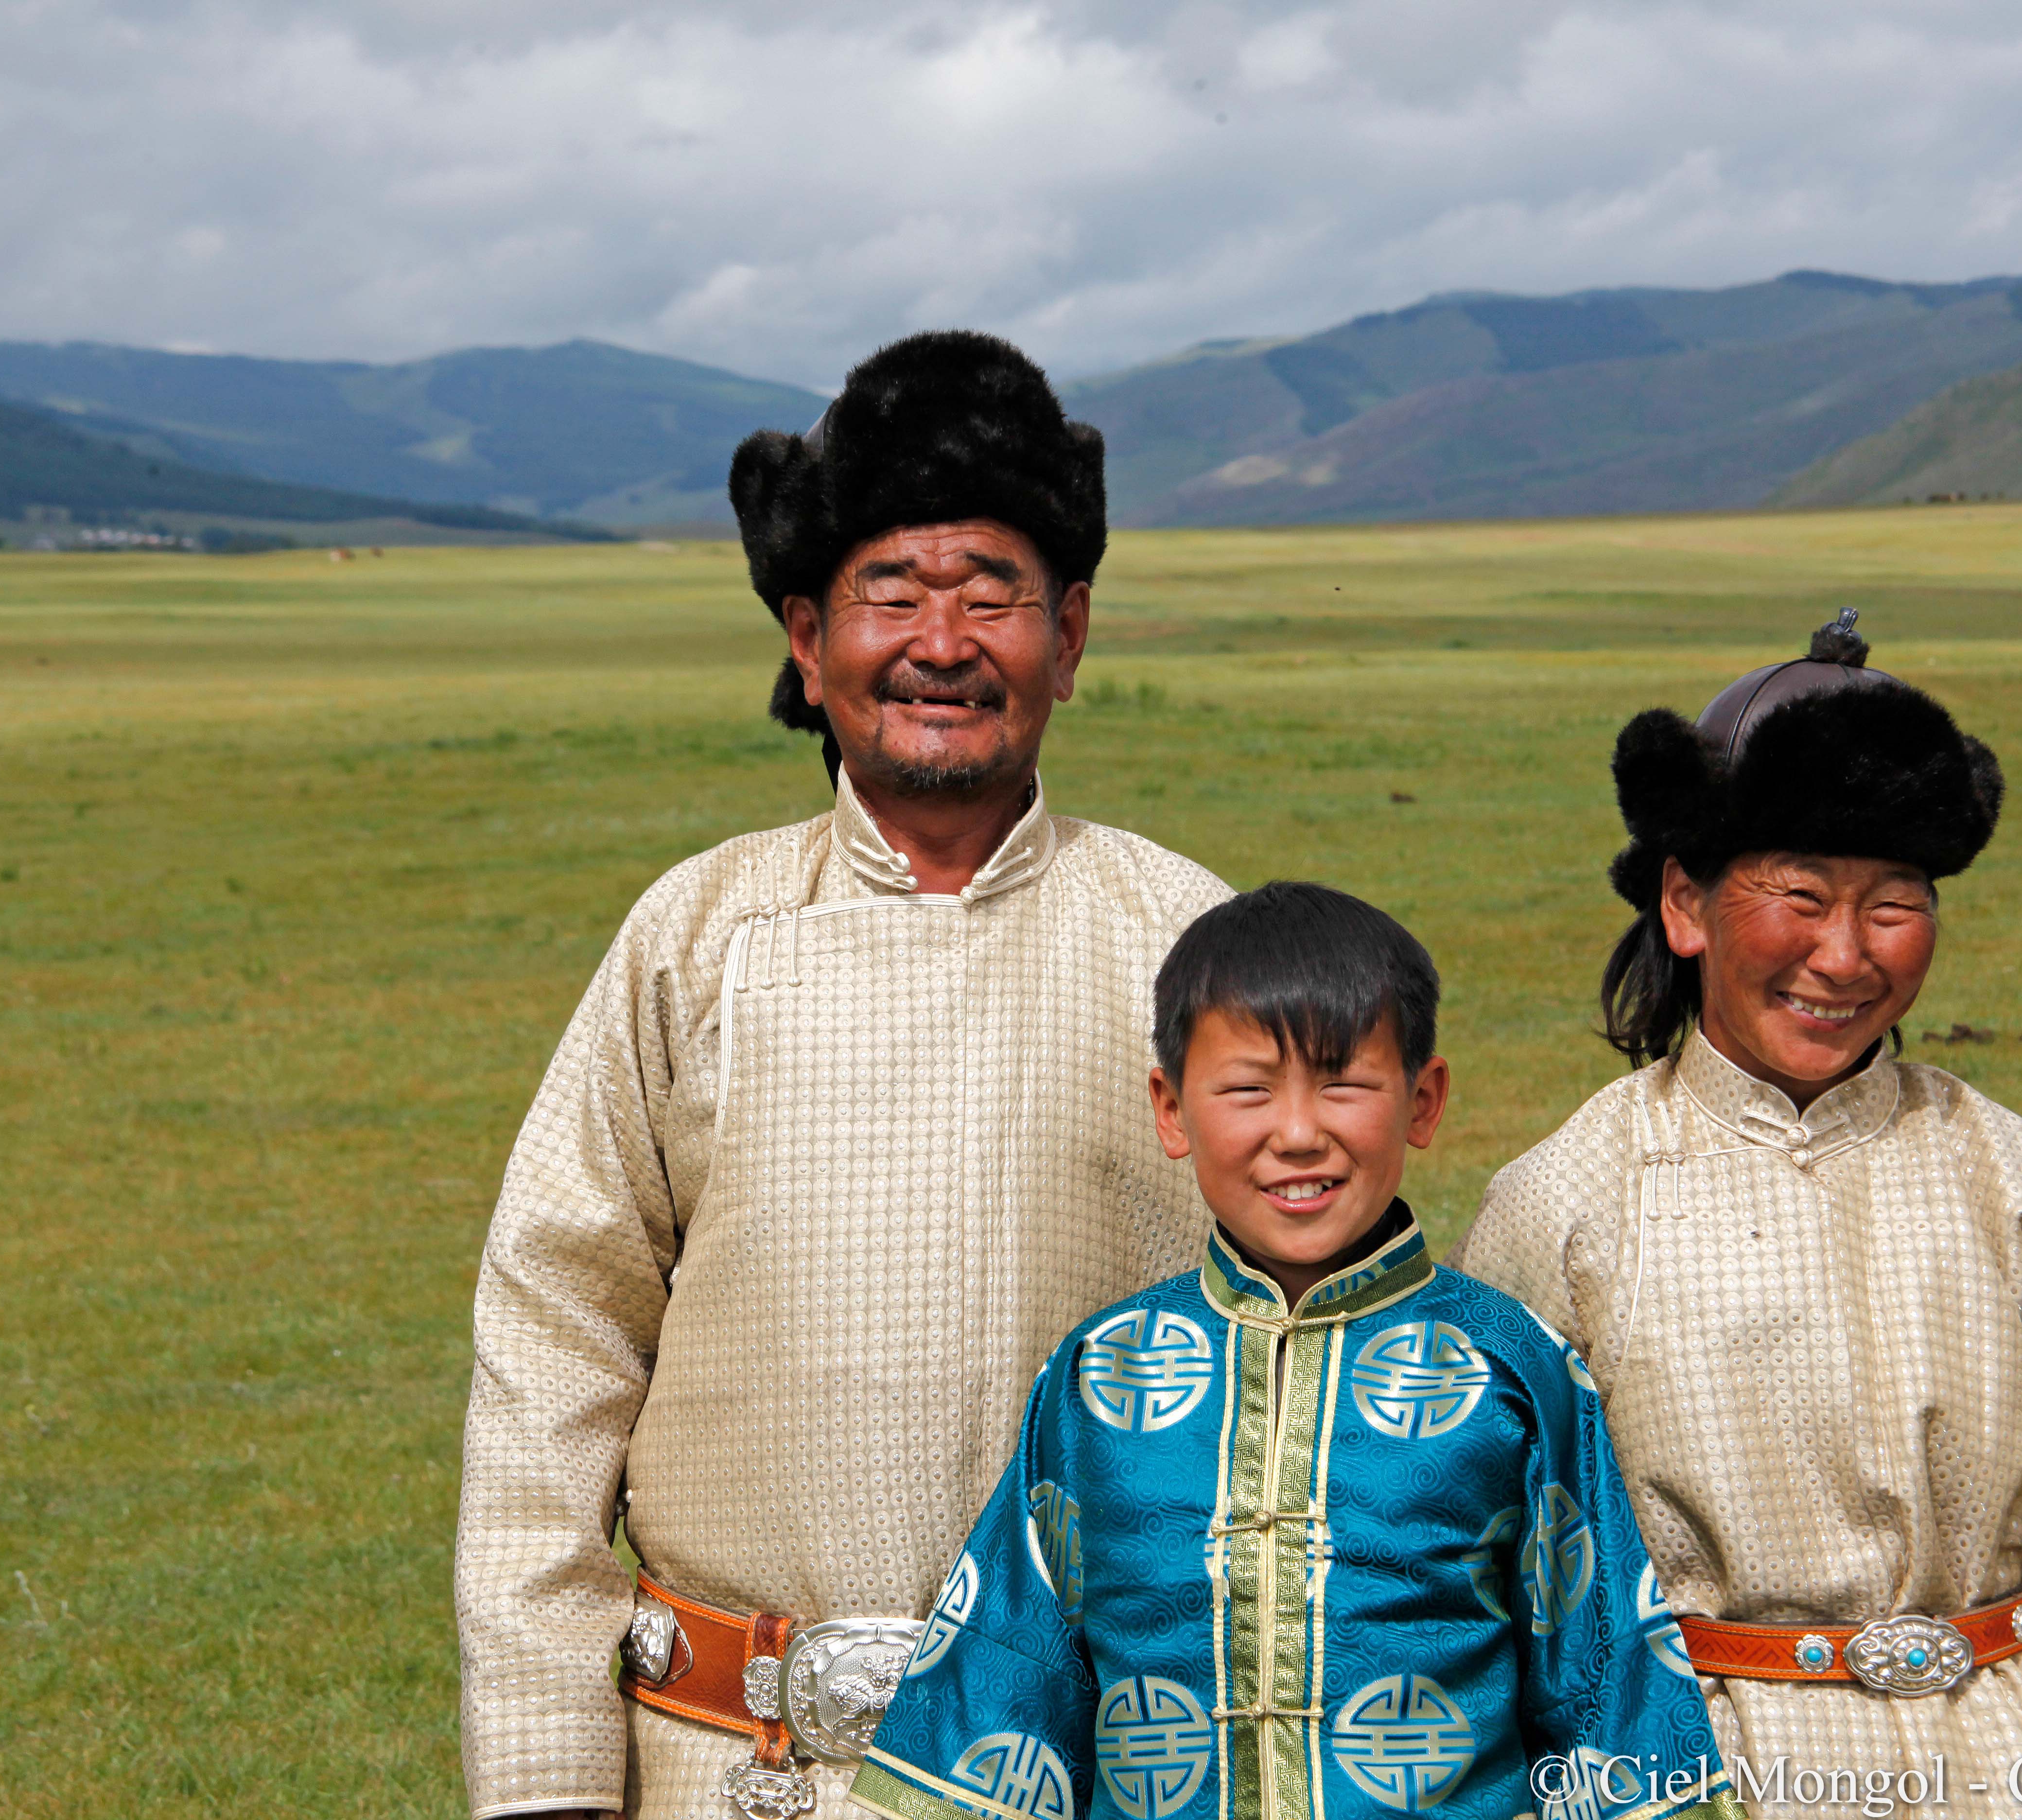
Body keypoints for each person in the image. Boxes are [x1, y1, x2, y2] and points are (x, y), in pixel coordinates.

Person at [455, 332, 1233, 1820]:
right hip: (729, 1774)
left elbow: (1311, 1357)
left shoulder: (1191, 945)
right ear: (808, 643)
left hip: (1106, 1774)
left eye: (990, 590)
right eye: (894, 590)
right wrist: (548, 1780)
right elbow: (552, 1359)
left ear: (1069, 636)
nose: (942, 641)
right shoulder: (693, 940)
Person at [1451, 614, 2022, 1819]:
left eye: (1893, 905)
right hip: (1720, 1781)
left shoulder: (2018, 1181)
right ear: (1686, 904)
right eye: (1800, 896)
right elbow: (1495, 1584)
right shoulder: (1565, 1201)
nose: (1845, 955)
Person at [853, 884, 1739, 1820]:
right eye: (1247, 1089)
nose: (1299, 1133)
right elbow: (1010, 1678)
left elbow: (1603, 1684)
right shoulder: (1095, 1378)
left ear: (1424, 1101)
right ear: (1171, 1110)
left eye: (1345, 1082)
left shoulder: (1514, 1370)